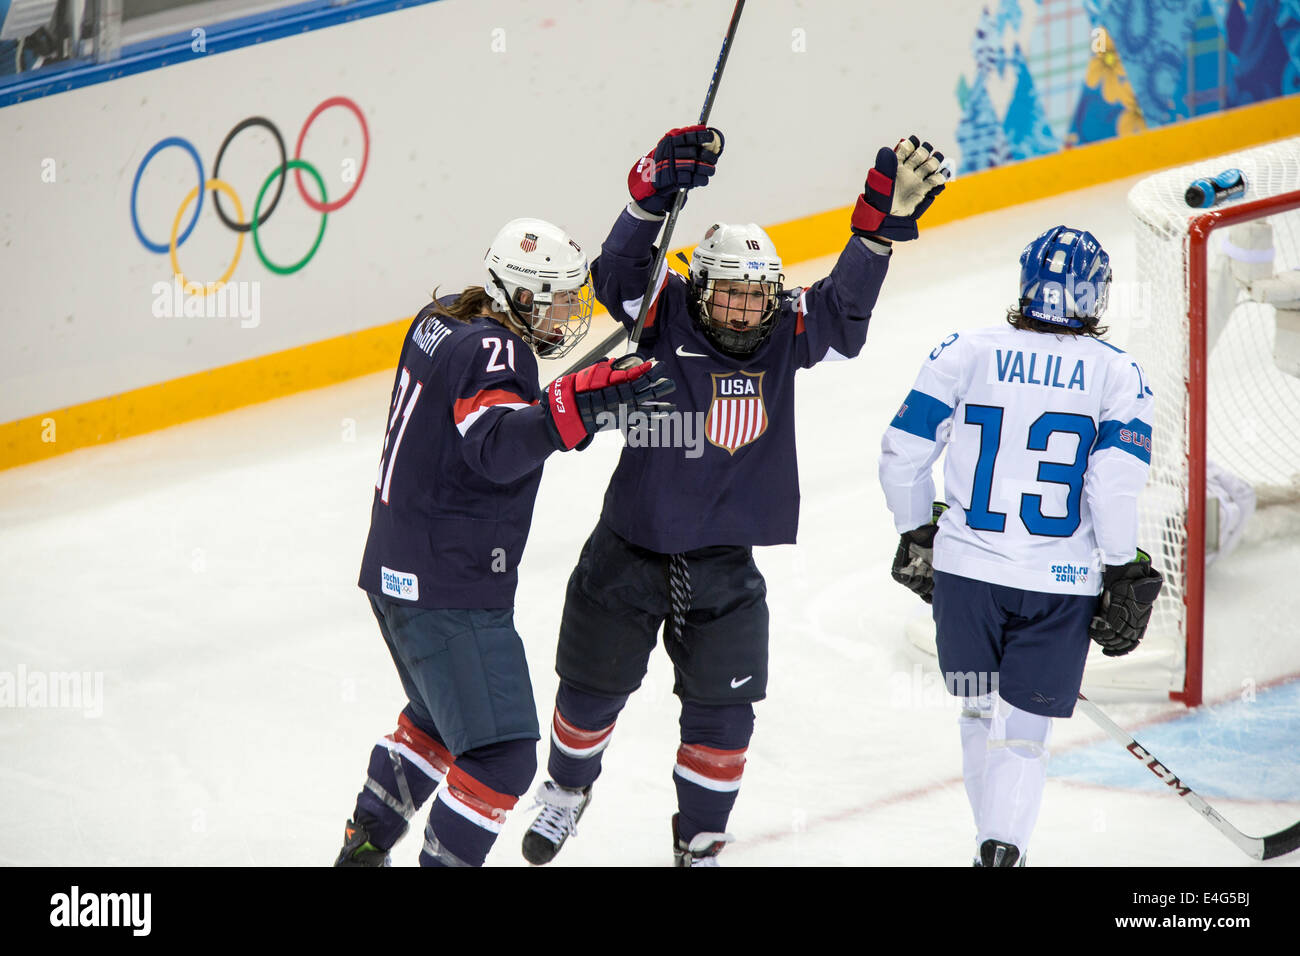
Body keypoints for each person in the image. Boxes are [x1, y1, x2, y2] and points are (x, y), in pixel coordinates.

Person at [521, 127, 950, 866]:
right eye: (732, 296)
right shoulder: (665, 314)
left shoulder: (785, 330)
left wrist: (875, 234)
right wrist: (650, 194)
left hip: (724, 569)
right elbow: (620, 273)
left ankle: (701, 842)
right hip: (629, 548)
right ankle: (564, 794)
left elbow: (843, 317)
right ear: (699, 289)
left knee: (724, 715)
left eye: (759, 298)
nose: (747, 312)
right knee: (590, 691)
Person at [334, 218, 674, 867]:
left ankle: (366, 841)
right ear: (510, 293)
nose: (566, 313)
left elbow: (479, 426)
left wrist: (557, 407)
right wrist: (570, 409)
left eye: (572, 297)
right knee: (501, 755)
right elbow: (493, 449)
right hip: (449, 587)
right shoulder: (499, 352)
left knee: (442, 720)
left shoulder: (438, 321)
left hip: (396, 570)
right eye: (550, 298)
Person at [878, 225, 1164, 866]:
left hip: (966, 581)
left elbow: (903, 453)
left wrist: (917, 529)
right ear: (1095, 295)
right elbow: (1113, 485)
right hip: (1058, 588)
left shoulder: (964, 350)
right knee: (1023, 737)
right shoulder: (1120, 373)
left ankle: (994, 851)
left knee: (979, 715)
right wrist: (1120, 569)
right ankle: (1001, 852)